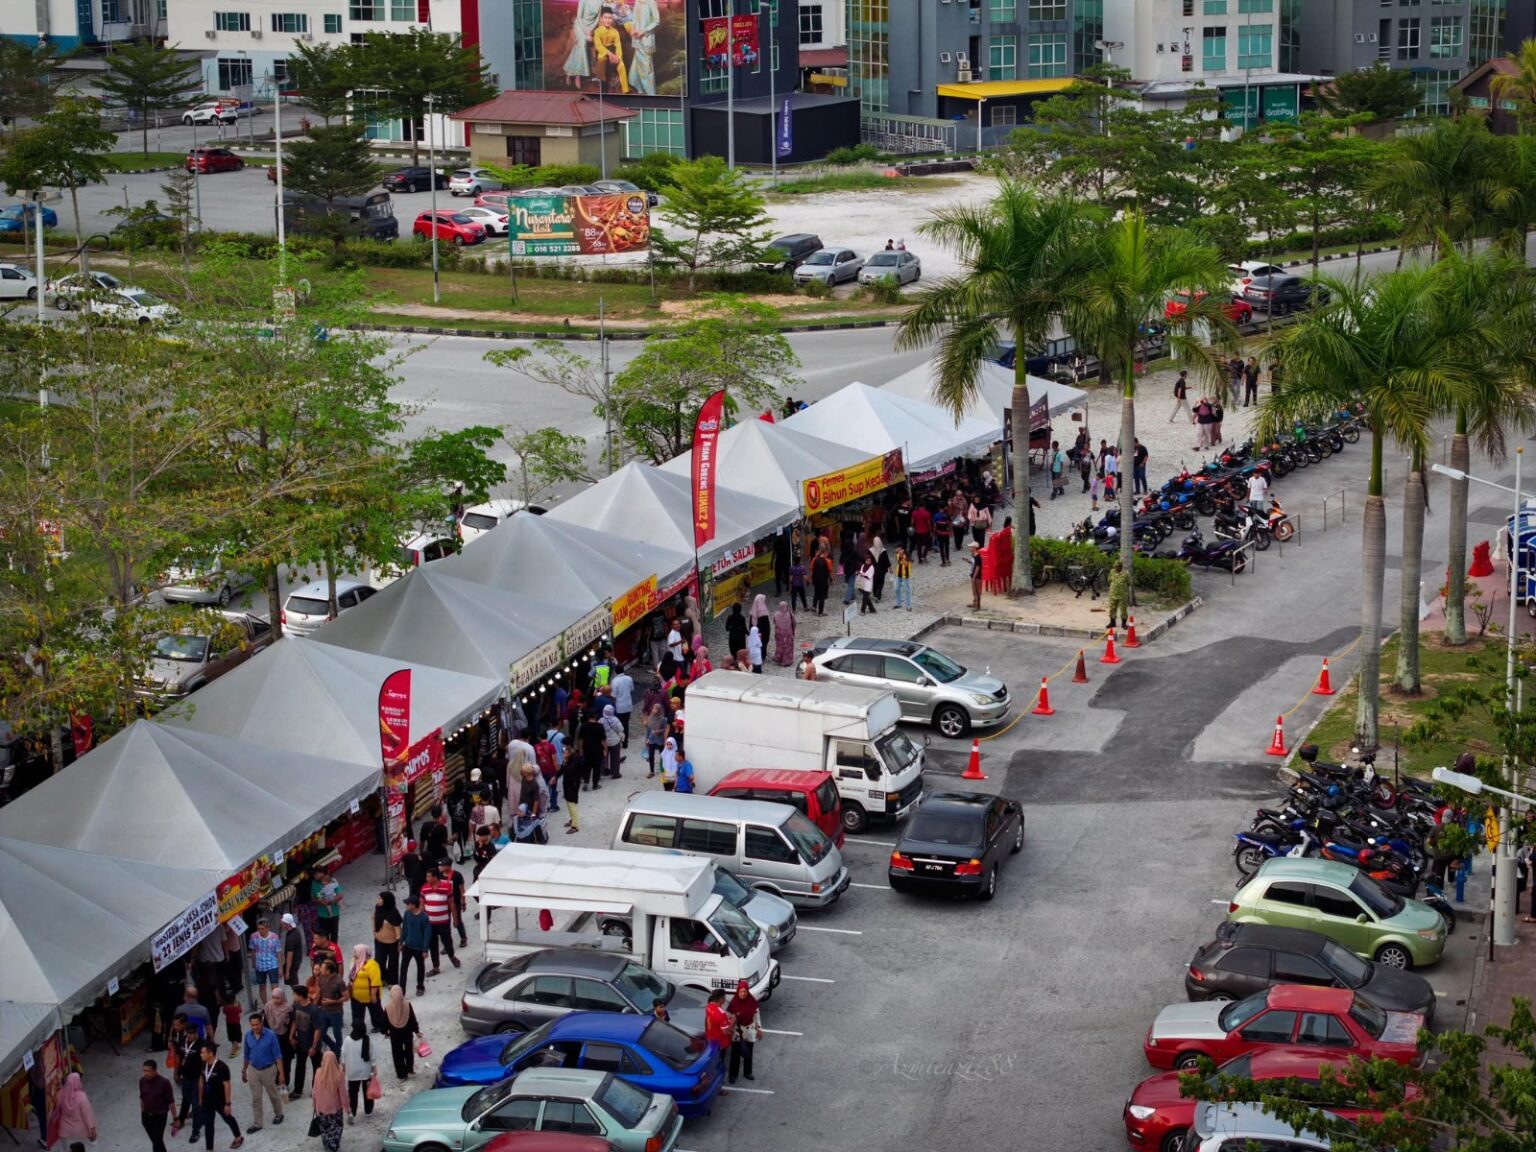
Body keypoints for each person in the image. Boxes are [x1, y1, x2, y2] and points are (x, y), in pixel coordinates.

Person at [240, 1012, 284, 1131]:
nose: (255, 1027)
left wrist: (281, 1074)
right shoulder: (248, 1036)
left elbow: (278, 1056)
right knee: (256, 1097)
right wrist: (244, 1070)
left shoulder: (271, 1036)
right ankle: (257, 1123)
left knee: (273, 1093)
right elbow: (246, 1055)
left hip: (268, 1069)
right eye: (252, 1025)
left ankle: (279, 1113)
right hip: (253, 1069)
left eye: (257, 1025)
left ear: (262, 1022)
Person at [196, 1041, 242, 1150]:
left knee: (228, 1119)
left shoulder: (222, 1067)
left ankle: (238, 1137)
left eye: (203, 1052)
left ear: (211, 1053)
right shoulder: (203, 1064)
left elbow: (227, 1086)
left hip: (220, 1100)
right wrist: (200, 1098)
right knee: (208, 1124)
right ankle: (209, 1148)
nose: (200, 1054)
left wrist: (228, 1103)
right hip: (207, 1100)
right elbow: (201, 1080)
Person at [421, 865, 460, 973]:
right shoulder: (424, 888)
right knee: (433, 945)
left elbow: (452, 904)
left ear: (435, 877)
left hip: (444, 921)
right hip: (430, 924)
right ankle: (435, 967)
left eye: (429, 877)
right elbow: (422, 906)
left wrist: (455, 919)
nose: (427, 878)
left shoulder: (446, 888)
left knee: (447, 941)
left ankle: (452, 956)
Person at [286, 986, 321, 1100]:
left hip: (312, 1045)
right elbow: (295, 1022)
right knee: (299, 1066)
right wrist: (291, 1036)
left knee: (317, 1068)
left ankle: (316, 1090)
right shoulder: (296, 1007)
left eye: (294, 994)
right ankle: (297, 1090)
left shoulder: (314, 1010)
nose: (293, 996)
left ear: (300, 995)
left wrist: (314, 1046)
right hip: (301, 1042)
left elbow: (317, 1029)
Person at [170, 1016, 203, 1137]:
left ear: (196, 1033)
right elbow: (179, 1057)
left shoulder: (201, 1045)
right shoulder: (183, 1040)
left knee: (195, 1104)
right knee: (185, 1099)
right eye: (188, 1033)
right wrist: (176, 1072)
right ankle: (181, 1120)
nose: (190, 1036)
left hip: (196, 1078)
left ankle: (196, 1130)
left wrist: (202, 1080)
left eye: (192, 1033)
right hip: (185, 1077)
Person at [727, 979, 762, 1084]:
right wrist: (731, 1028)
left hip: (750, 1031)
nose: (743, 994)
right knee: (735, 1054)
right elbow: (729, 1017)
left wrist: (759, 1029)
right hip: (737, 1033)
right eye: (741, 992)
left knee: (749, 1052)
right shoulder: (733, 1003)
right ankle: (733, 1075)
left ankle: (748, 1072)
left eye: (745, 991)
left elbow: (757, 1016)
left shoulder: (752, 1002)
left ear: (747, 991)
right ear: (738, 991)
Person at [308, 1052, 345, 1152]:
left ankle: (328, 1146)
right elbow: (342, 1093)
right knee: (337, 1126)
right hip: (336, 1107)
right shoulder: (339, 1074)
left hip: (322, 1108)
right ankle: (334, 1144)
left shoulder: (318, 1072)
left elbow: (314, 1090)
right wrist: (346, 1105)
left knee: (325, 1128)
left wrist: (314, 1103)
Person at [560, 0, 602, 86]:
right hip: (580, 26)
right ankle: (578, 76)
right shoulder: (583, 1)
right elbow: (579, 18)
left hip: (590, 28)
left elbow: (597, 19)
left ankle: (569, 72)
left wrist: (590, 29)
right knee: (582, 45)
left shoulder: (599, 2)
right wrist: (586, 32)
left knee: (577, 48)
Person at [339, 1021, 374, 1125]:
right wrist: (374, 1068)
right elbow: (372, 1055)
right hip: (365, 1070)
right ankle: (368, 1111)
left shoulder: (347, 1040)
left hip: (352, 1071)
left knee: (353, 1093)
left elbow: (343, 1054)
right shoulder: (367, 1039)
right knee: (367, 1091)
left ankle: (352, 1113)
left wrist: (343, 1065)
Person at [383, 987, 421, 1081]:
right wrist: (416, 1031)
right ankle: (409, 1069)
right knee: (408, 1051)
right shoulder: (407, 1005)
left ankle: (402, 1074)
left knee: (397, 1054)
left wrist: (385, 1032)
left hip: (395, 1035)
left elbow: (384, 1023)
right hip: (407, 1033)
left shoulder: (388, 1008)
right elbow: (412, 1019)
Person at [51, 1072, 97, 1148]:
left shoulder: (60, 1094)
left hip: (65, 1131)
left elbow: (56, 1108)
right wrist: (92, 1129)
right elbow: (87, 1115)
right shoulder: (82, 1097)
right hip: (80, 1132)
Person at [346, 944, 383, 1036]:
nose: (354, 954)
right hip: (356, 995)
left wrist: (373, 994)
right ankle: (358, 1028)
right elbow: (351, 977)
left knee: (375, 1012)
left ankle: (379, 1025)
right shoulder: (355, 962)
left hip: (370, 995)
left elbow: (375, 980)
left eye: (356, 952)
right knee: (357, 1014)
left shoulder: (372, 965)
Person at [262, 988, 294, 1094]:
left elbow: (290, 1026)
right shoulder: (268, 1007)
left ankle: (285, 1083)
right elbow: (265, 1024)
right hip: (272, 1038)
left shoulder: (288, 1009)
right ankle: (277, 1082)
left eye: (278, 998)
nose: (275, 1000)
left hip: (284, 1040)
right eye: (273, 997)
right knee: (274, 1061)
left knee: (285, 1061)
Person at [625, 0, 660, 94]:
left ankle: (651, 94)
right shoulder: (637, 1)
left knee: (646, 67)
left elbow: (657, 21)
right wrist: (632, 29)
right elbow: (635, 19)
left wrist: (643, 31)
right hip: (637, 39)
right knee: (638, 66)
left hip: (646, 39)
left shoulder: (651, 2)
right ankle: (640, 90)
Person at [399, 896, 431, 996]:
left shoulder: (424, 917)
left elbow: (427, 934)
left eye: (408, 904)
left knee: (420, 967)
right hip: (407, 946)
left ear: (413, 905)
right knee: (403, 969)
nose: (406, 905)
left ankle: (420, 986)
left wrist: (425, 950)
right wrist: (401, 942)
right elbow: (404, 928)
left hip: (419, 948)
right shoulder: (407, 914)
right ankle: (401, 990)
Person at [592, 8, 629, 93]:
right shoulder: (598, 31)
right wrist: (609, 54)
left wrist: (618, 57)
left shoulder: (615, 31)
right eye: (605, 18)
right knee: (602, 60)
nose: (607, 20)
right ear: (601, 18)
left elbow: (618, 46)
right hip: (602, 52)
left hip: (613, 51)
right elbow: (598, 46)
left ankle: (625, 90)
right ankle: (603, 86)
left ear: (612, 19)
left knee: (621, 65)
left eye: (610, 18)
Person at [142, 1059, 175, 1152]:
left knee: (157, 1141)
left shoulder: (164, 1082)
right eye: (144, 1071)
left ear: (155, 1070)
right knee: (156, 1141)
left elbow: (171, 1102)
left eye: (148, 1071)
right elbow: (142, 1098)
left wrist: (175, 1118)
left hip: (160, 1116)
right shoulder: (142, 1081)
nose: (146, 1073)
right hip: (147, 1116)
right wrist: (143, 1113)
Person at [248, 919, 282, 1004]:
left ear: (267, 928)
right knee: (262, 987)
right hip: (260, 965)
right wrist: (253, 962)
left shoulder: (274, 937)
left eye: (262, 929)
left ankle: (276, 1004)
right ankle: (266, 1005)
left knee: (275, 988)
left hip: (272, 965)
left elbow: (278, 953)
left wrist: (280, 968)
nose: (260, 931)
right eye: (259, 929)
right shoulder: (253, 936)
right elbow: (253, 950)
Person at [373, 893, 402, 988]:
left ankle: (392, 981)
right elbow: (374, 918)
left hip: (392, 942)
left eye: (380, 899)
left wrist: (399, 942)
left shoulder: (393, 913)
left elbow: (398, 928)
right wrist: (374, 931)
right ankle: (382, 977)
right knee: (379, 961)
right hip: (379, 941)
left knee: (393, 962)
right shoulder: (378, 908)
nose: (378, 900)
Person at [562, 728, 585, 833]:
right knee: (568, 802)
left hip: (573, 782)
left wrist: (565, 760)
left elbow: (569, 769)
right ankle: (572, 820)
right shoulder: (571, 755)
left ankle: (575, 826)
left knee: (572, 803)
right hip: (568, 782)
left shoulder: (574, 757)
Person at [311, 865, 343, 943]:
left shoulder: (333, 881)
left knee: (334, 934)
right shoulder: (315, 884)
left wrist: (332, 901)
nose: (314, 876)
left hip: (334, 913)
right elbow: (313, 898)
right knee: (324, 935)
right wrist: (320, 901)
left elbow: (340, 894)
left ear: (321, 873)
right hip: (322, 915)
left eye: (316, 874)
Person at [578, 705, 606, 791]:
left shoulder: (583, 726)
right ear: (595, 716)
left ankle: (586, 782)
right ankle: (595, 784)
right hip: (598, 750)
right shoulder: (600, 727)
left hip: (587, 749)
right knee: (597, 768)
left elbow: (581, 740)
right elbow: (603, 741)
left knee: (587, 766)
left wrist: (581, 750)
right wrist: (605, 750)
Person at [610, 665, 635, 746]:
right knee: (626, 724)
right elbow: (632, 689)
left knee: (619, 725)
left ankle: (619, 741)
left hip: (619, 706)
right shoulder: (629, 678)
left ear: (615, 671)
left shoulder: (614, 681)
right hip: (628, 705)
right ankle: (625, 741)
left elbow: (613, 695)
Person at [704, 990, 733, 1054]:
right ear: (720, 999)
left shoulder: (709, 1006)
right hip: (720, 1044)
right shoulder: (721, 1014)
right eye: (724, 997)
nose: (725, 999)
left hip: (710, 1039)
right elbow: (725, 1031)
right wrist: (732, 1022)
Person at [601, 704, 625, 778]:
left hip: (604, 742)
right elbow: (621, 729)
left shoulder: (601, 720)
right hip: (615, 741)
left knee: (604, 757)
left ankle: (604, 771)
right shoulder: (615, 720)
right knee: (615, 758)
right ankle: (615, 773)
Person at [1106, 560, 1130, 629]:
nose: (1116, 568)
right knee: (1112, 608)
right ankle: (1112, 622)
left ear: (1121, 567)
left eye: (1117, 567)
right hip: (1113, 594)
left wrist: (1122, 588)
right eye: (1115, 567)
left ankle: (1124, 624)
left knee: (1123, 609)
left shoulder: (1126, 573)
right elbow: (1109, 581)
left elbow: (1129, 583)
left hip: (1122, 595)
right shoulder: (1112, 572)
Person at [810, 547, 832, 615]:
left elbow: (812, 570)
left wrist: (811, 579)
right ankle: (820, 612)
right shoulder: (827, 561)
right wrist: (830, 579)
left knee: (816, 593)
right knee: (822, 597)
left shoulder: (815, 560)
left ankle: (814, 606)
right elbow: (828, 572)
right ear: (824, 553)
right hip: (823, 581)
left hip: (816, 581)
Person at [772, 601, 796, 665]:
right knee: (787, 647)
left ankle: (778, 657)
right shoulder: (789, 614)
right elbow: (794, 622)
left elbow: (774, 621)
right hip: (788, 634)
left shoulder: (776, 614)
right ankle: (786, 661)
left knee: (779, 646)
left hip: (779, 633)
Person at [892, 547, 913, 611]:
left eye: (899, 549)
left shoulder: (907, 555)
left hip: (905, 575)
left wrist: (902, 558)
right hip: (899, 574)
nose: (898, 550)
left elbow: (906, 564)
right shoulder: (898, 555)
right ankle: (898, 604)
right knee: (896, 588)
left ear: (903, 549)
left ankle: (908, 606)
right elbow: (898, 560)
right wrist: (900, 555)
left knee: (907, 590)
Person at [968, 541, 983, 611]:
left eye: (971, 547)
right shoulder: (973, 555)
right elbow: (973, 563)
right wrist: (967, 561)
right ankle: (974, 603)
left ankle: (978, 605)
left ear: (974, 548)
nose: (969, 548)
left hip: (976, 576)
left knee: (977, 591)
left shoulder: (978, 557)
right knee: (974, 591)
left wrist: (974, 576)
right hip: (973, 574)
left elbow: (977, 567)